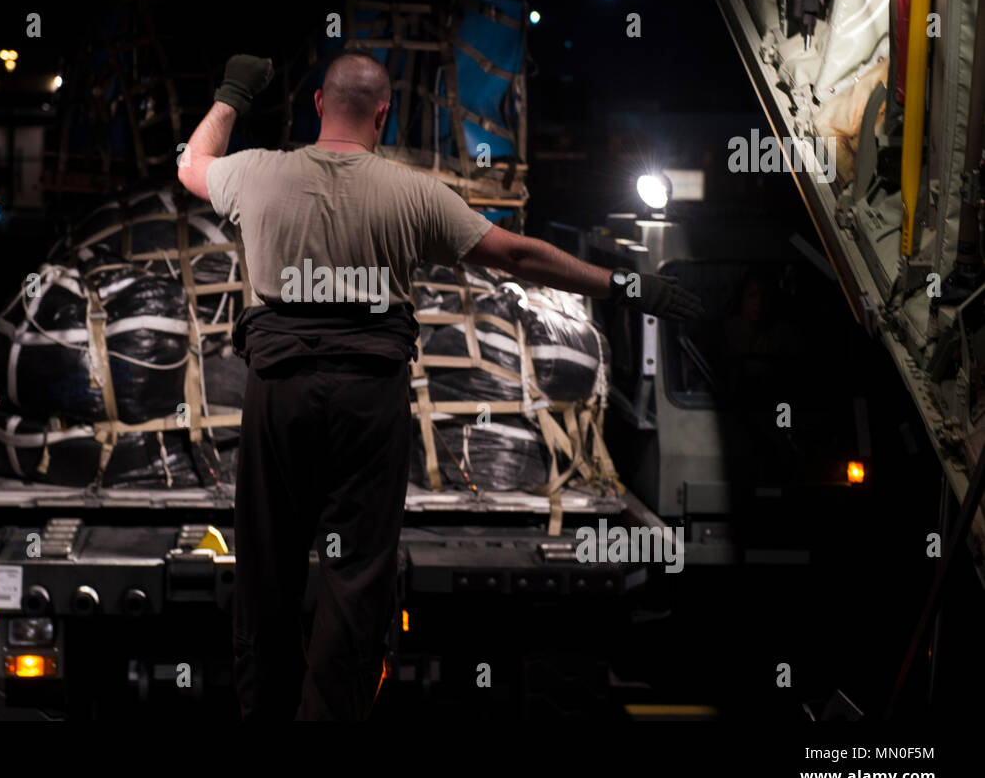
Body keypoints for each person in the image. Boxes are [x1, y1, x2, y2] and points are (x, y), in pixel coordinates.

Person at [177, 51, 701, 720]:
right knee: (356, 575)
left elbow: (190, 164)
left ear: (317, 105)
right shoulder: (415, 193)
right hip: (369, 396)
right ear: (383, 112)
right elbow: (516, 254)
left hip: (280, 388)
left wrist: (230, 96)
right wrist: (625, 283)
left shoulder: (257, 174)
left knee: (267, 572)